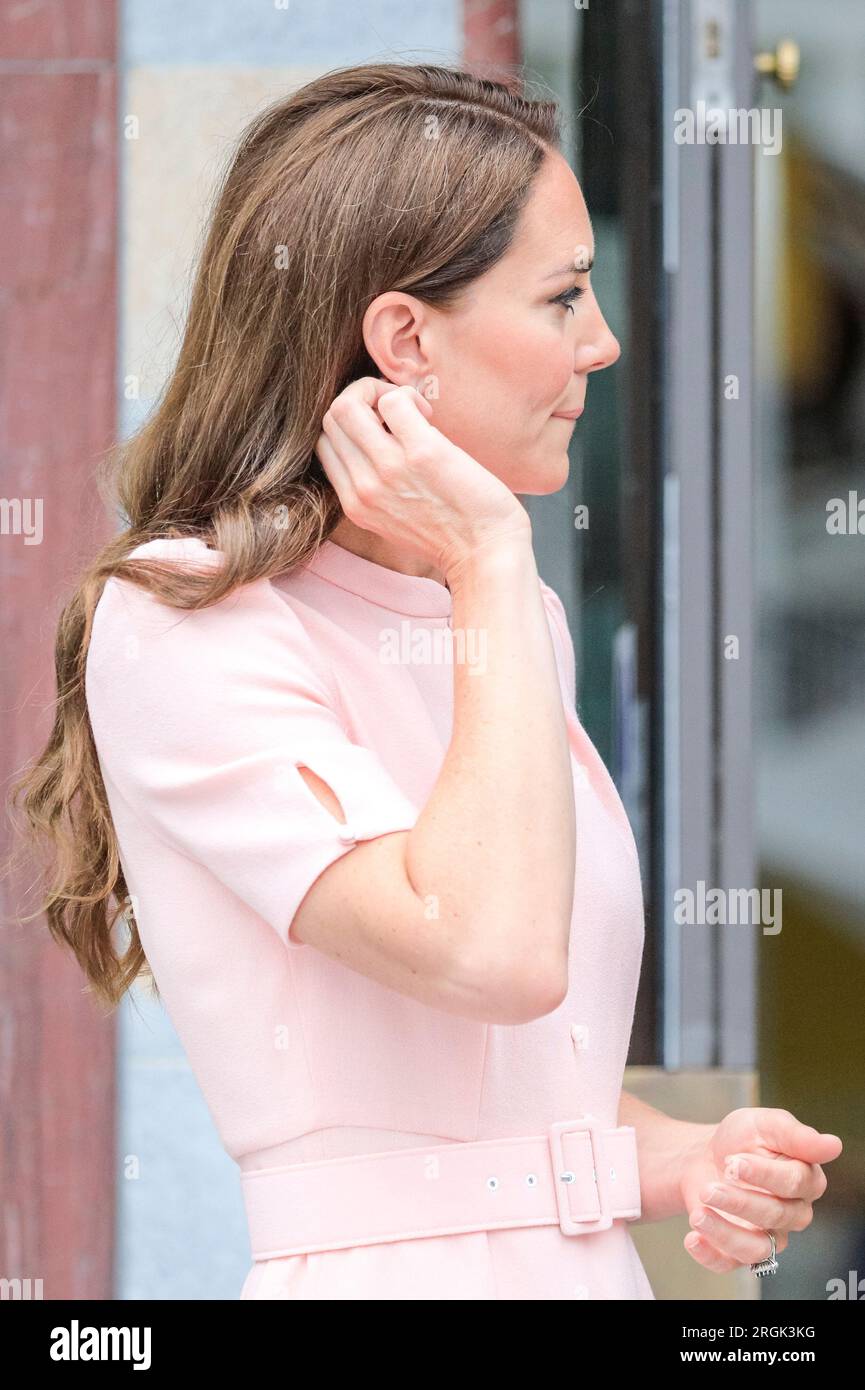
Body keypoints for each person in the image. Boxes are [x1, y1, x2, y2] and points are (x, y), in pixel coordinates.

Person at [8, 62, 841, 1300]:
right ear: (404, 340)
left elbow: (499, 1072)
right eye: (563, 296)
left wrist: (674, 1158)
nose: (602, 341)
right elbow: (489, 953)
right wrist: (492, 557)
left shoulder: (504, 616)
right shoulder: (187, 620)